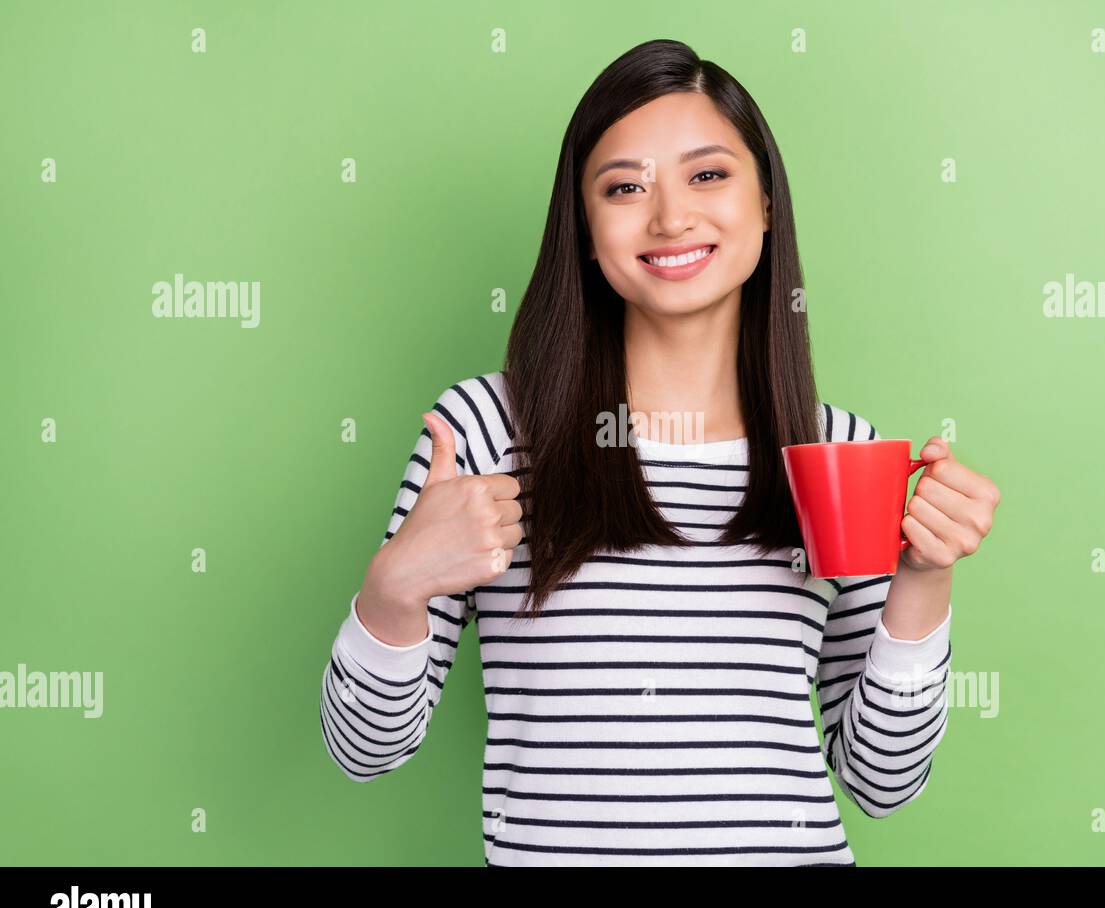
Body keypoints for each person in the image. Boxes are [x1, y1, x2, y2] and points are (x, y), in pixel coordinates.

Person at [319, 38, 1000, 866]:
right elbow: (363, 750)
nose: (670, 217)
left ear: (768, 203)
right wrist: (394, 590)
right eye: (624, 187)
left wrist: (925, 581)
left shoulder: (840, 454)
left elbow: (881, 783)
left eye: (708, 175)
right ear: (585, 228)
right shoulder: (486, 434)